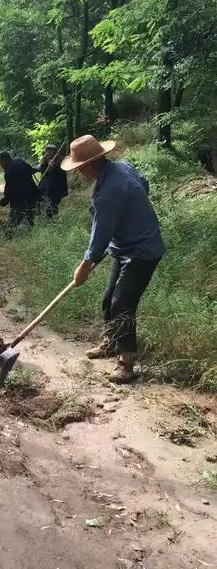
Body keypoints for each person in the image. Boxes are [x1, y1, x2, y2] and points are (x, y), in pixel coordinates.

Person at [61, 134, 166, 384]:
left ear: (89, 165)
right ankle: (111, 342)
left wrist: (84, 266)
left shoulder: (110, 191)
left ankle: (126, 364)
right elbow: (144, 184)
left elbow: (100, 237)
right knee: (109, 299)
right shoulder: (121, 167)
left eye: (79, 168)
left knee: (122, 305)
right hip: (123, 247)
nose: (78, 173)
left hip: (142, 251)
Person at [0, 150, 41, 227]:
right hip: (32, 195)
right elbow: (30, 170)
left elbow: (9, 190)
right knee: (29, 217)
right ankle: (30, 232)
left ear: (6, 160)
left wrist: (5, 200)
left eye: (0, 161)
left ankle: (11, 235)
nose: (0, 164)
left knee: (14, 221)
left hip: (20, 200)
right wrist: (38, 169)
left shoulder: (9, 172)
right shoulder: (20, 161)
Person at [38, 144, 68, 217]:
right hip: (45, 187)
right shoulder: (44, 162)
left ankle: (53, 219)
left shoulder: (60, 161)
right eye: (47, 151)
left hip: (56, 187)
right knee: (42, 202)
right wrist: (46, 165)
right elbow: (43, 173)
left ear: (55, 152)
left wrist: (55, 166)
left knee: (52, 204)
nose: (48, 153)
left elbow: (62, 173)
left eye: (50, 151)